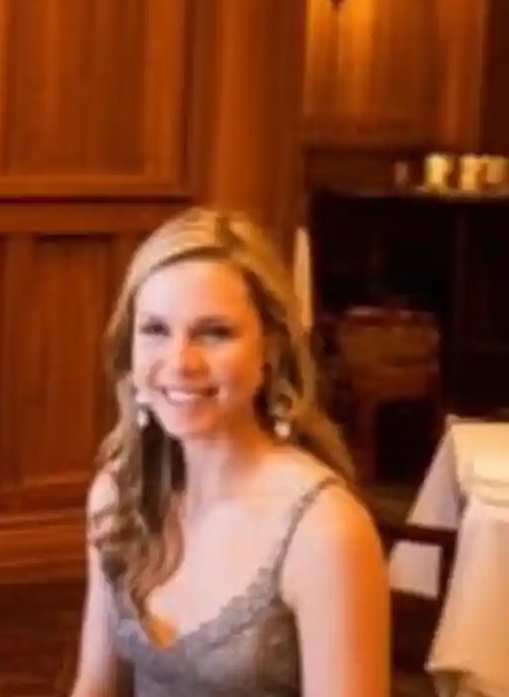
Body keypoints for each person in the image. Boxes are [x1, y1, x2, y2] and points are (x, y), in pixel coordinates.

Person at [69, 208, 389, 697]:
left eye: (213, 332)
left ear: (271, 349)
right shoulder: (117, 495)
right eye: (155, 329)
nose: (180, 362)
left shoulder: (326, 531)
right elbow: (94, 687)